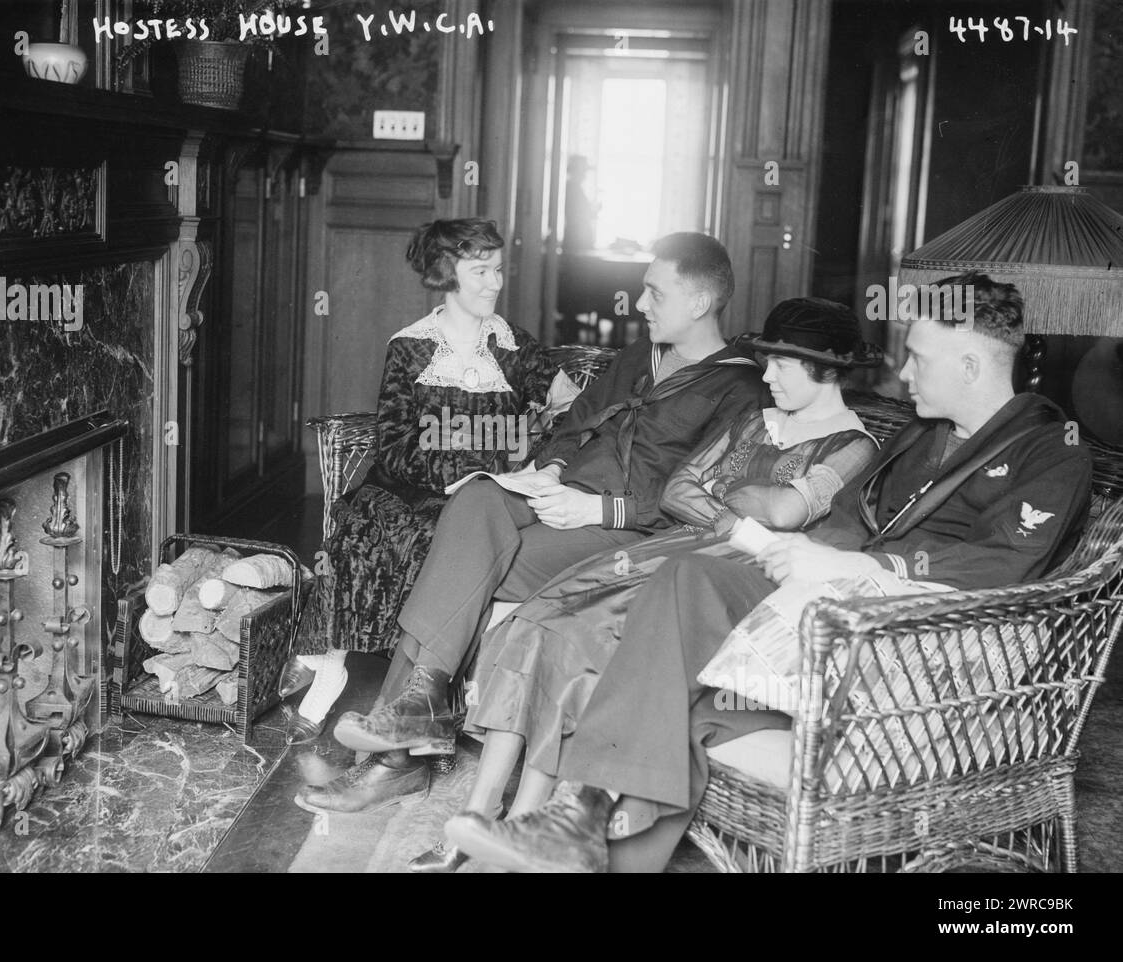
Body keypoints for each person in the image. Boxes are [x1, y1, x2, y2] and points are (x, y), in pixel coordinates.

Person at [449, 271, 1096, 872]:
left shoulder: (1051, 449)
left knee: (687, 695)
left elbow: (1008, 559)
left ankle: (583, 830)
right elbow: (852, 511)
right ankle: (580, 822)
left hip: (904, 624)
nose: (903, 374)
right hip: (832, 596)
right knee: (686, 580)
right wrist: (800, 550)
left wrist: (858, 563)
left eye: (919, 359)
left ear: (972, 363)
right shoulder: (925, 433)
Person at [295, 232, 770, 816]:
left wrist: (599, 509)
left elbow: (705, 497)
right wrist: (548, 471)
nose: (639, 304)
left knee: (472, 564)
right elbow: (572, 426)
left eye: (654, 292)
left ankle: (401, 752)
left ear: (698, 303)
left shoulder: (742, 388)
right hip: (558, 496)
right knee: (474, 500)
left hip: (628, 531)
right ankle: (414, 717)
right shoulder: (632, 358)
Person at [407, 298, 882, 871]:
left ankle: (527, 825)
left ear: (827, 371)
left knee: (583, 639)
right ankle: (484, 815)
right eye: (766, 360)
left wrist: (727, 506)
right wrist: (741, 508)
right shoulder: (756, 420)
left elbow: (784, 511)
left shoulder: (855, 445)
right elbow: (677, 489)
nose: (768, 374)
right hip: (670, 544)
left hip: (728, 572)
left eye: (783, 364)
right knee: (538, 620)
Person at [282, 218, 561, 743]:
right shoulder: (411, 346)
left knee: (432, 537)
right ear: (445, 273)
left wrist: (527, 451)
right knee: (364, 521)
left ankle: (421, 699)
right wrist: (451, 471)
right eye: (480, 271)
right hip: (409, 478)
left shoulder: (514, 346)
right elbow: (394, 440)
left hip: (486, 491)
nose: (495, 283)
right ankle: (331, 660)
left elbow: (570, 406)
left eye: (498, 269)